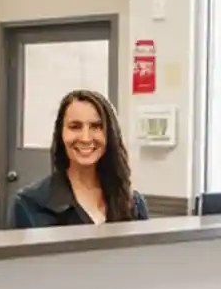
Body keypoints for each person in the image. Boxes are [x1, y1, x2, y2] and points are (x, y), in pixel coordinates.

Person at [11, 89, 149, 228]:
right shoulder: (30, 204)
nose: (85, 138)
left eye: (96, 126)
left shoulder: (133, 204)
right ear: (61, 134)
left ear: (110, 134)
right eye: (75, 127)